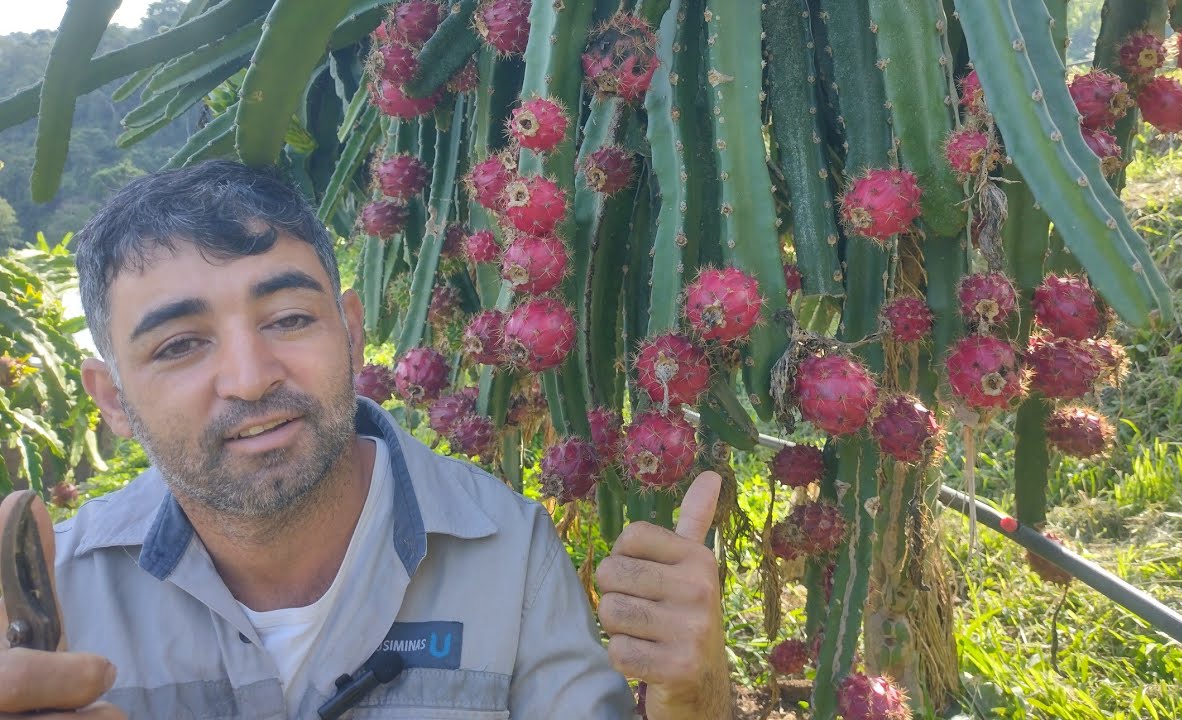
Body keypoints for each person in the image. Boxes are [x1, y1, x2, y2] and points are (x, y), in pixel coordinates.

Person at [0, 160, 732, 719]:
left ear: (350, 332)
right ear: (111, 399)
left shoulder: (508, 551)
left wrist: (696, 700)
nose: (250, 379)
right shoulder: (50, 599)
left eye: (288, 319)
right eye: (180, 345)